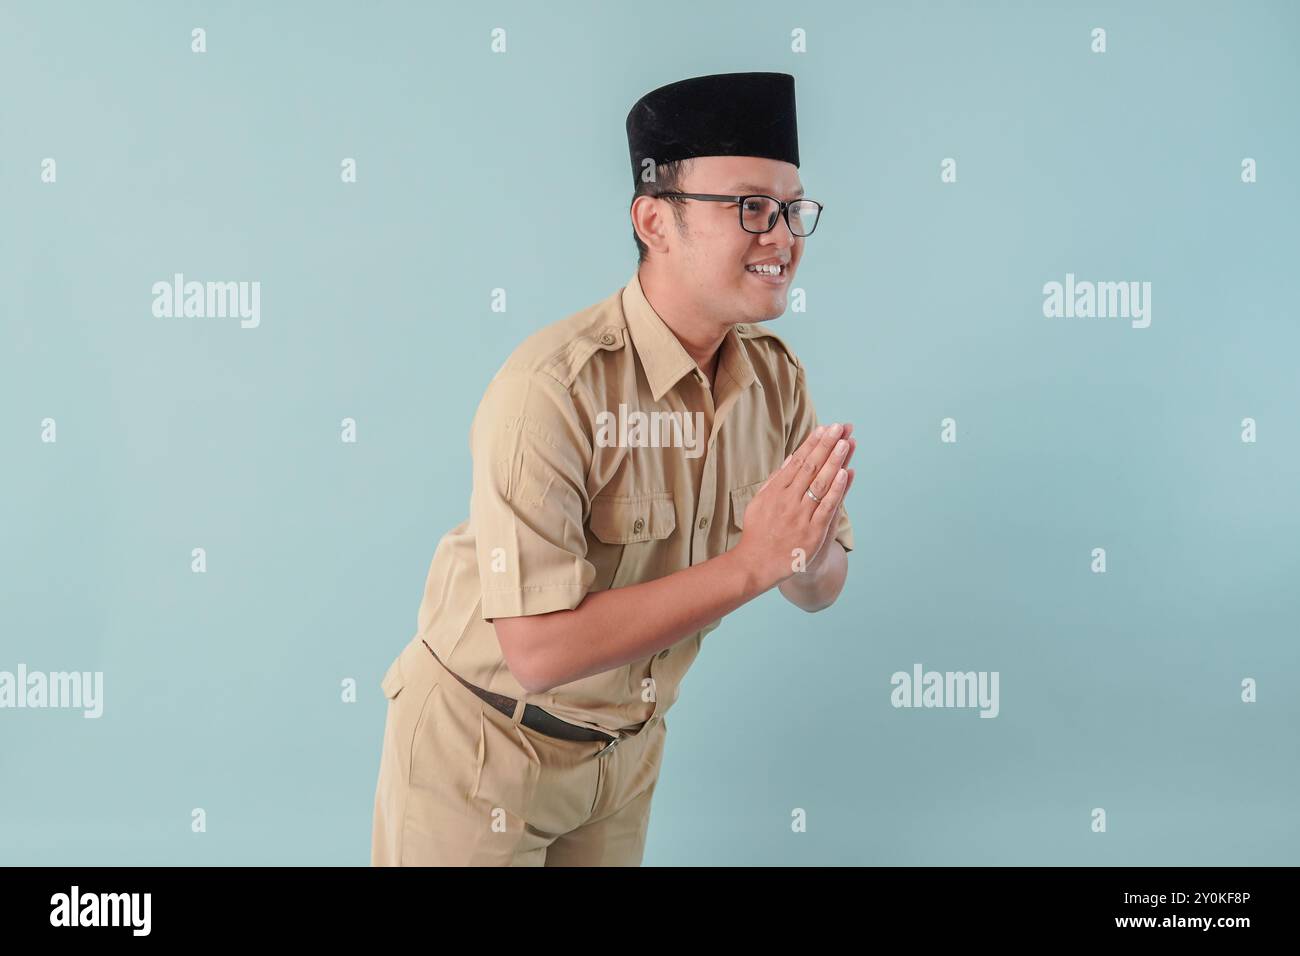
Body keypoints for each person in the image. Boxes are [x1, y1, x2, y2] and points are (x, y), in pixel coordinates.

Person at [371, 71, 858, 866]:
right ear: (654, 221)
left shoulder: (777, 380)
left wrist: (803, 552)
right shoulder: (551, 388)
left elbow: (821, 579)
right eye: (750, 208)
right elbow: (535, 651)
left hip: (623, 758)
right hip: (483, 745)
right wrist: (752, 563)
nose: (783, 236)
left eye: (793, 209)